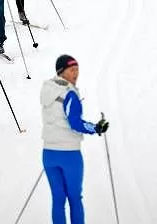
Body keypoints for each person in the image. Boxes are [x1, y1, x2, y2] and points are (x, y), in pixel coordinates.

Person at [40, 55, 109, 224]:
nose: (76, 74)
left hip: (49, 154)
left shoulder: (47, 90)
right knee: (75, 198)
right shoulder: (70, 94)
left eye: (77, 70)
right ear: (61, 72)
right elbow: (75, 123)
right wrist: (96, 128)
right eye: (72, 70)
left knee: (58, 199)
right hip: (69, 155)